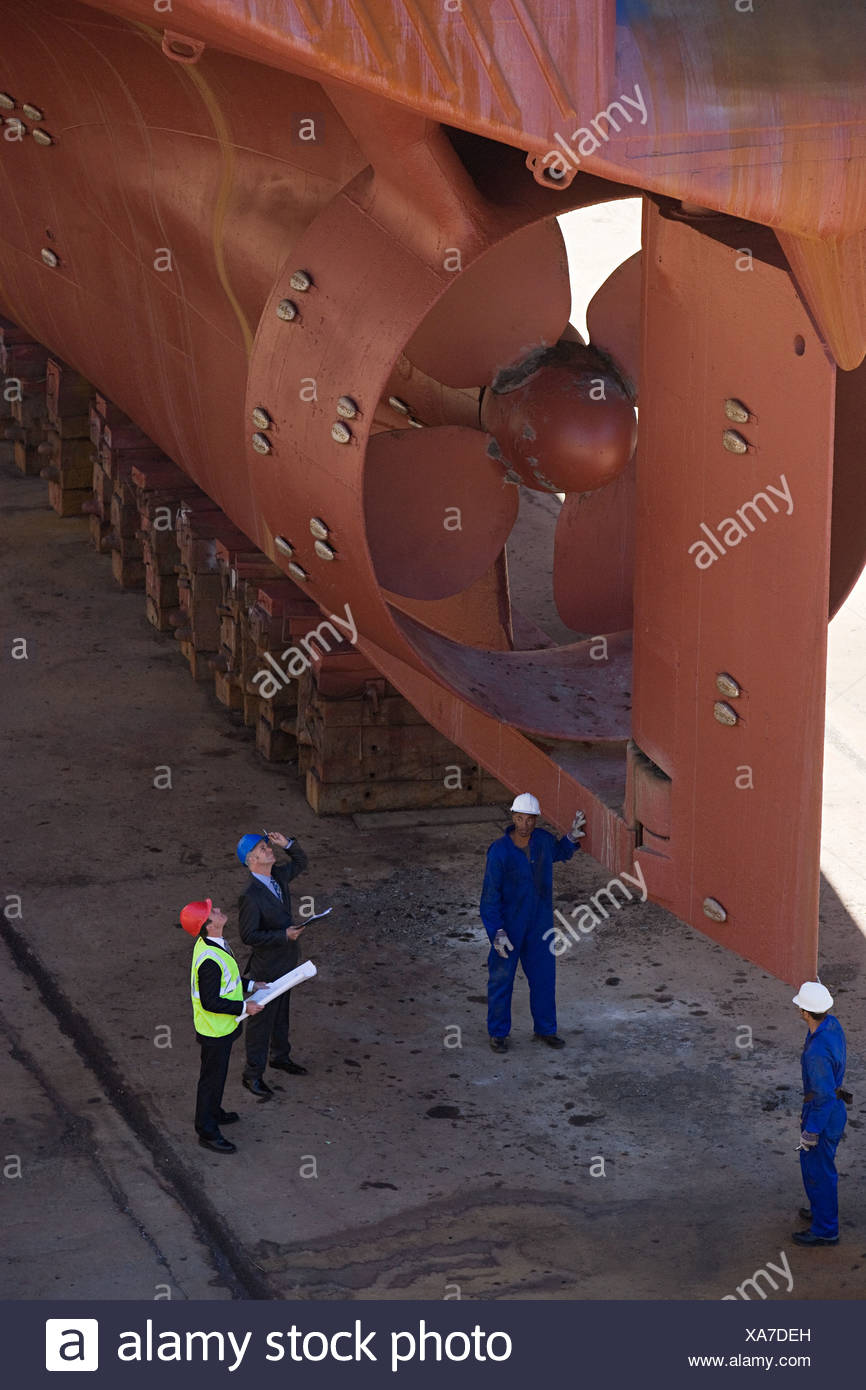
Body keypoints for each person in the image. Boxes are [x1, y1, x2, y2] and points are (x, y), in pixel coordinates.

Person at [480, 793, 585, 1052]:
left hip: (539, 925)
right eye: (519, 818)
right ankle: (498, 1034)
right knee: (501, 979)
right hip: (509, 927)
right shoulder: (499, 852)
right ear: (513, 817)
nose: (524, 824)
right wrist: (497, 932)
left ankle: (545, 1030)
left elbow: (559, 852)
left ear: (536, 819)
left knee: (543, 978)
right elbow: (489, 898)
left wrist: (572, 837)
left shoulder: (542, 842)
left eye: (529, 819)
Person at [180, 898, 265, 1155]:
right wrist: (244, 1007)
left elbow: (227, 979)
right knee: (211, 1080)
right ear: (208, 925)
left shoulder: (212, 944)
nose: (218, 911)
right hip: (215, 1030)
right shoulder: (209, 958)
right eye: (212, 912)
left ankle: (213, 1112)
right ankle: (206, 1130)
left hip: (220, 1028)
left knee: (215, 1077)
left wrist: (250, 986)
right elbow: (211, 1001)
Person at [236, 829, 309, 1098]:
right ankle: (252, 1074)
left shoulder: (276, 876)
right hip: (266, 967)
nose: (270, 851)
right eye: (264, 850)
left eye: (268, 847)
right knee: (261, 1021)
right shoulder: (251, 896)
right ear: (252, 860)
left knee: (281, 1013)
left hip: (286, 960)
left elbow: (301, 863)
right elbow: (248, 935)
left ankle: (280, 1056)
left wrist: (288, 843)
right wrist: (283, 935)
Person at [791, 981, 849, 1246]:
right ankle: (819, 1212)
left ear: (805, 1012)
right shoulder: (832, 1025)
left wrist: (811, 1130)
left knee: (819, 1172)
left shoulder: (816, 1052)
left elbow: (823, 1097)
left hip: (823, 1114)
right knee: (817, 1168)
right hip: (834, 1109)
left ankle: (825, 1229)